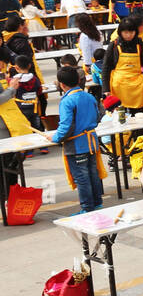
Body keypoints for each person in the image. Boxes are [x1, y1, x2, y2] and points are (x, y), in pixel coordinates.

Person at [47, 66, 105, 214]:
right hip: (91, 141)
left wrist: (55, 137)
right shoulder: (90, 96)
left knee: (82, 178)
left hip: (77, 144)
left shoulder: (67, 101)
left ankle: (87, 208)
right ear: (78, 80)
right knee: (93, 173)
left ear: (62, 84)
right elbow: (98, 116)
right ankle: (97, 203)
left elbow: (66, 126)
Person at [101, 15, 143, 113]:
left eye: (131, 32)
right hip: (118, 88)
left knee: (138, 117)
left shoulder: (140, 45)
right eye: (125, 32)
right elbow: (106, 68)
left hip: (137, 88)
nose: (128, 35)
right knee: (120, 118)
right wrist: (106, 89)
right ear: (120, 32)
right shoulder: (114, 45)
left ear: (135, 32)